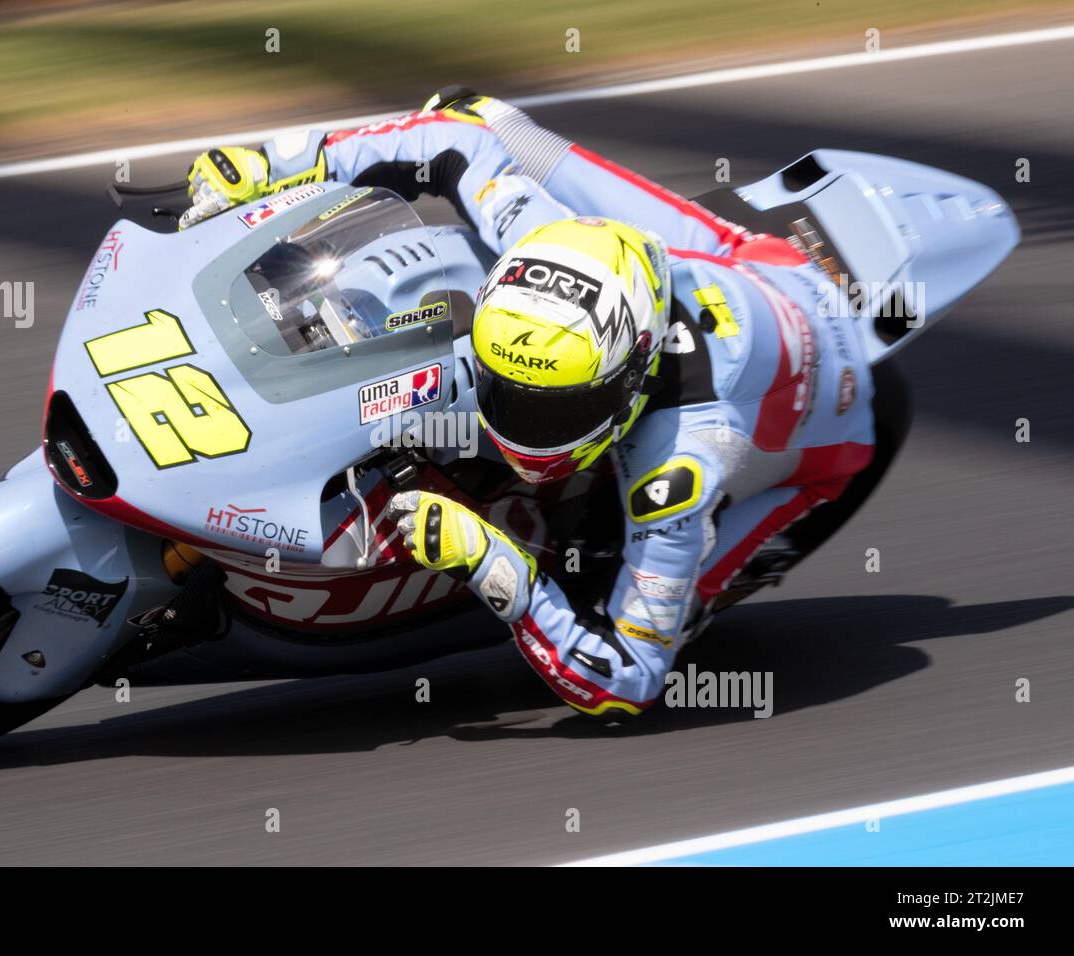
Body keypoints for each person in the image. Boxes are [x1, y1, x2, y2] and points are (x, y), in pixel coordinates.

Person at [181, 89, 880, 719]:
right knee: (476, 113)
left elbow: (629, 682)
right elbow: (452, 144)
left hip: (822, 429)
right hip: (739, 258)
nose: (513, 424)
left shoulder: (681, 466)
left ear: (629, 383)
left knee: (646, 612)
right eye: (501, 387)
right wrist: (282, 163)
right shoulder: (536, 236)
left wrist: (494, 565)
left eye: (547, 411)